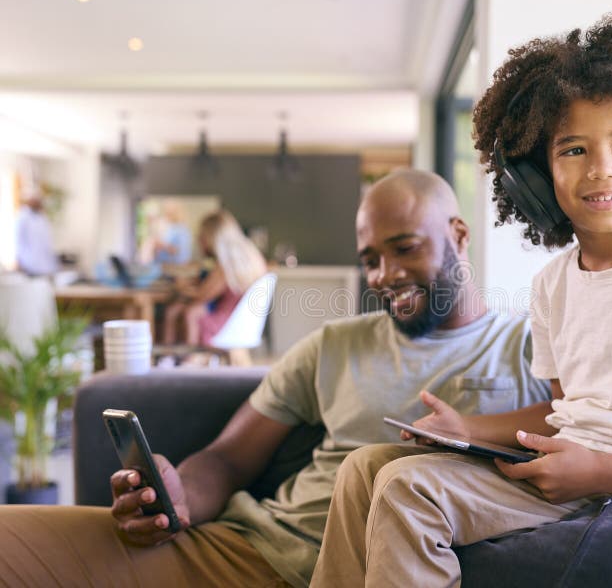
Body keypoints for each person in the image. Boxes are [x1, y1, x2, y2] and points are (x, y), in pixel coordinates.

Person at [310, 9, 612, 586]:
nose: (602, 170)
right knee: (365, 468)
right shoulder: (554, 283)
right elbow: (569, 412)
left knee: (409, 491)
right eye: (573, 150)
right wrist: (471, 428)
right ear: (532, 177)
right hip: (576, 473)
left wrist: (604, 472)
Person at [0, 169, 551, 587]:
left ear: (458, 234)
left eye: (404, 248)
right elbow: (229, 458)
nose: (384, 275)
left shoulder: (530, 346)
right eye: (370, 259)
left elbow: (584, 443)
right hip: (247, 551)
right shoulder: (335, 344)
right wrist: (177, 493)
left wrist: (474, 429)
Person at [161, 209, 267, 347]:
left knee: (190, 311)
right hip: (244, 321)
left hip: (227, 323)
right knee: (180, 310)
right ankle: (179, 359)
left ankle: (188, 360)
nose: (199, 241)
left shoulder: (227, 265)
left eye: (202, 236)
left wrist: (180, 287)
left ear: (213, 237)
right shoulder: (250, 255)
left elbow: (202, 295)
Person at [15, 191, 58, 276]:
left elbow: (48, 241)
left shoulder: (42, 217)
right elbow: (18, 240)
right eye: (35, 201)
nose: (38, 203)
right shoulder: (23, 217)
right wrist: (19, 261)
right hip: (29, 263)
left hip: (46, 264)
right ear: (29, 201)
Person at [153, 198, 193, 265]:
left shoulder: (182, 229)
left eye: (169, 211)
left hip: (176, 267)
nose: (167, 213)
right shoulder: (169, 227)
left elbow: (180, 252)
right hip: (163, 265)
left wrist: (162, 245)